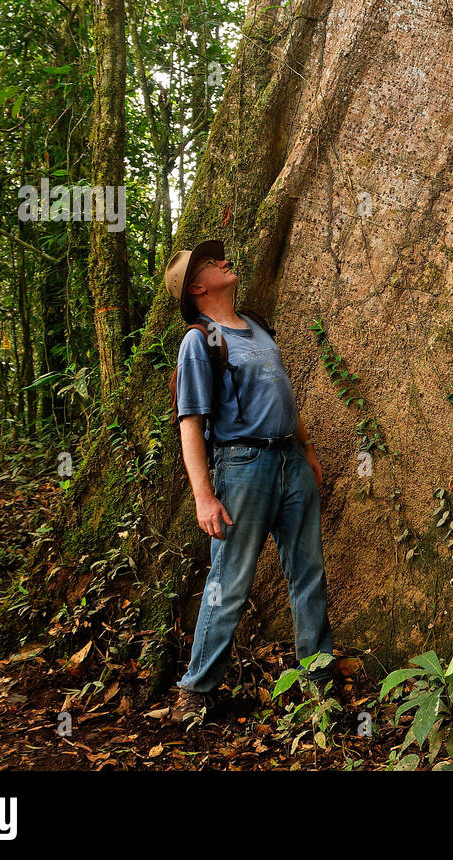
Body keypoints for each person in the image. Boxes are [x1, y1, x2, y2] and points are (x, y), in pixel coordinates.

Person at [162, 239, 333, 722]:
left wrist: (308, 448)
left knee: (308, 575)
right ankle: (196, 692)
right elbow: (190, 423)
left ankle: (318, 686)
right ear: (198, 287)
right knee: (230, 580)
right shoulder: (200, 341)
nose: (222, 261)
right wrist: (203, 497)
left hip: (290, 462)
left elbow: (284, 392)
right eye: (209, 264)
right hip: (242, 467)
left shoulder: (257, 327)